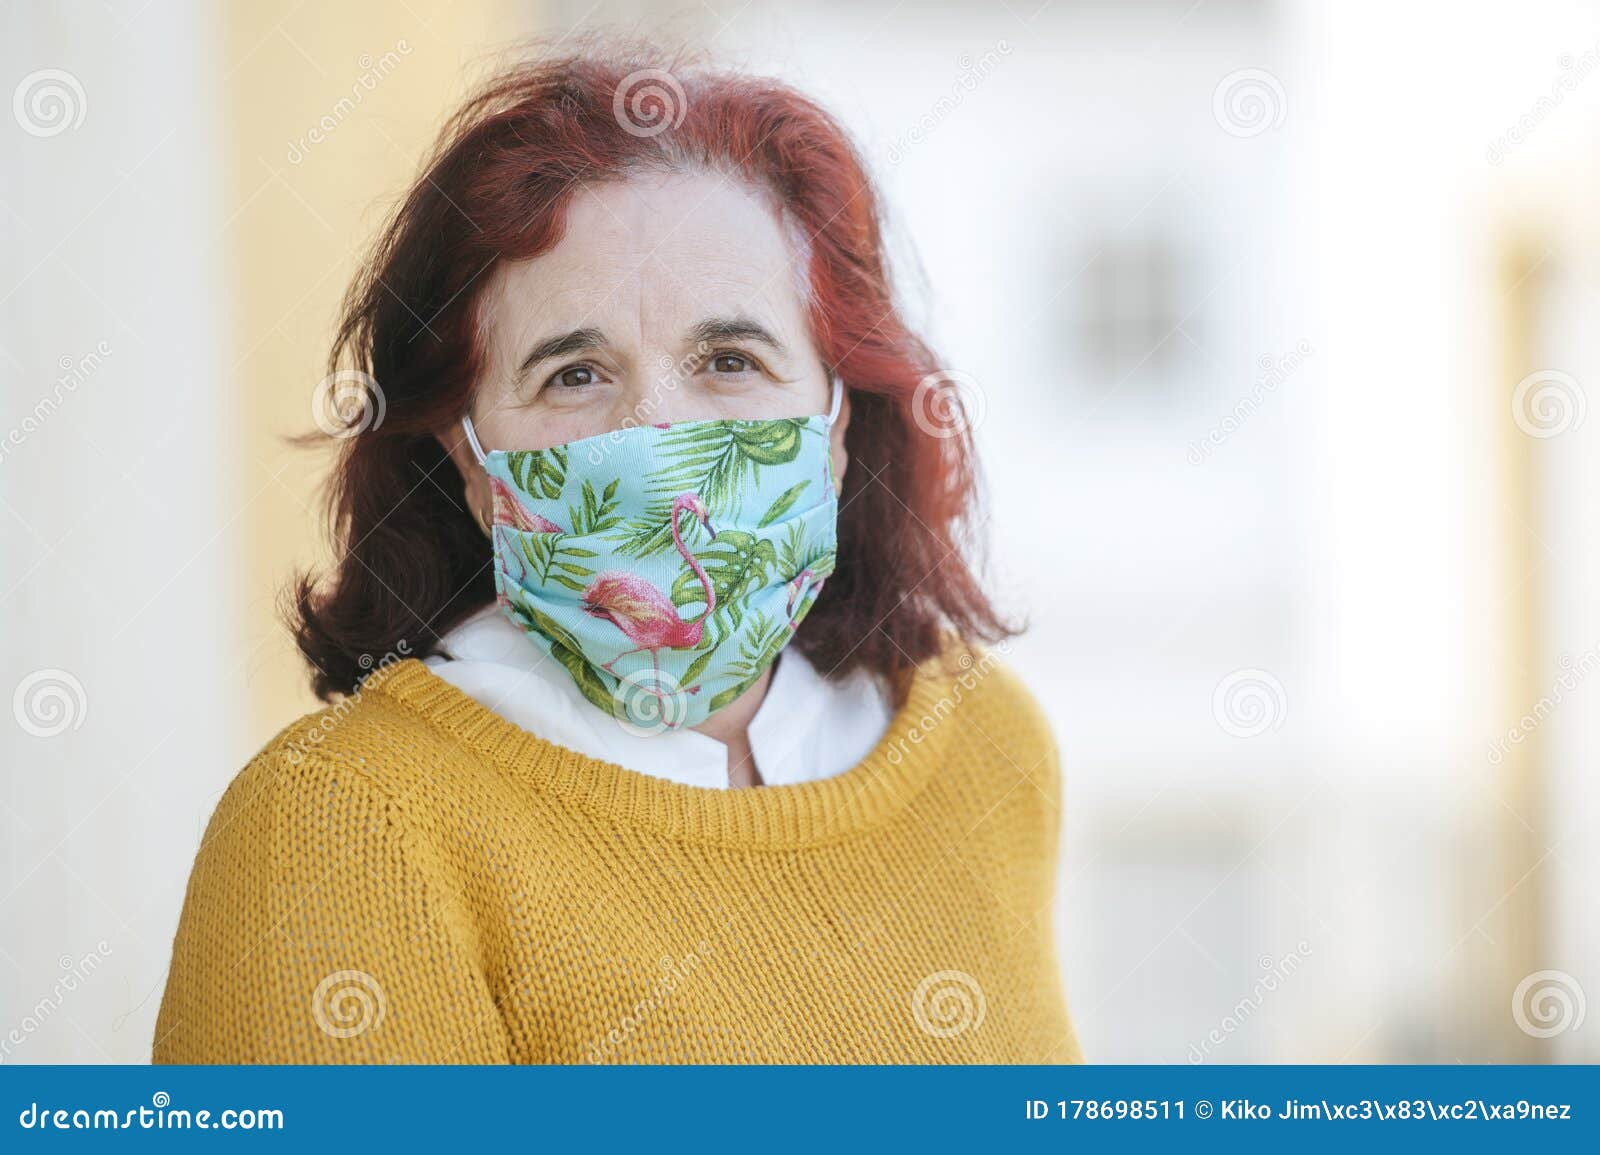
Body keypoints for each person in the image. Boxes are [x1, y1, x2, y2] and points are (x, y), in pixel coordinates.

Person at [153, 37, 1082, 1065]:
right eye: (573, 374)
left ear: (839, 423)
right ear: (468, 463)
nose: (655, 442)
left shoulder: (982, 746)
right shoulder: (337, 830)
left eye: (730, 360)